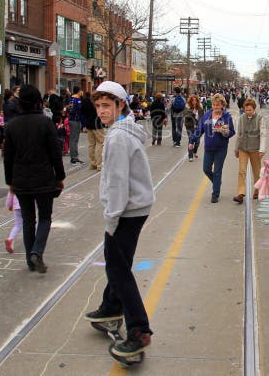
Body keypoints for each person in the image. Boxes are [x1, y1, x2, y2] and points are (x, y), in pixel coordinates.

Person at [84, 81, 154, 359]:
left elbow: (117, 184)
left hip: (126, 211)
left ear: (121, 105)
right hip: (138, 206)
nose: (101, 111)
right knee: (118, 263)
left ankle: (139, 330)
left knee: (117, 268)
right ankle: (111, 305)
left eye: (106, 106)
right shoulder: (124, 130)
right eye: (98, 106)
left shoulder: (116, 137)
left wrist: (111, 221)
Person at [3, 84, 65, 273]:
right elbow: (55, 152)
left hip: (21, 180)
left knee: (29, 221)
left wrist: (10, 182)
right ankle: (37, 252)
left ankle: (30, 260)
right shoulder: (45, 123)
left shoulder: (11, 125)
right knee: (45, 218)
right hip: (43, 178)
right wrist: (60, 176)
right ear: (38, 102)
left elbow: (8, 157)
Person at [189, 93, 236, 203]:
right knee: (206, 169)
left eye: (218, 105)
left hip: (221, 148)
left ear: (222, 105)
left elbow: (232, 132)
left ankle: (215, 194)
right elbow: (199, 130)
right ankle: (217, 182)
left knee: (218, 171)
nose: (215, 107)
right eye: (214, 105)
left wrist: (225, 132)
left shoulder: (226, 116)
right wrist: (192, 141)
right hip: (208, 148)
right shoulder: (207, 115)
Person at [233, 98, 266, 203]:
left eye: (250, 110)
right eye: (246, 110)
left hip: (255, 149)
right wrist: (236, 148)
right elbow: (239, 134)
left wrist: (262, 150)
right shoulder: (241, 118)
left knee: (256, 172)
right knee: (241, 171)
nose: (248, 112)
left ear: (254, 109)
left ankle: (257, 191)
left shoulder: (260, 119)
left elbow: (263, 135)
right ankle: (240, 193)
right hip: (243, 148)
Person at [82, 89, 105, 171]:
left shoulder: (85, 101)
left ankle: (92, 163)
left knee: (91, 144)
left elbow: (82, 113)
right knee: (100, 143)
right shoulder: (98, 101)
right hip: (97, 124)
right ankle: (99, 164)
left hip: (89, 124)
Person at [183, 95, 203, 162]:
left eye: (195, 100)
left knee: (197, 141)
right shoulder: (187, 108)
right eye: (192, 100)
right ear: (190, 101)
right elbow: (186, 116)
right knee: (191, 140)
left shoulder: (200, 108)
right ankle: (190, 156)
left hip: (198, 127)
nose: (194, 102)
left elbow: (202, 117)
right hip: (190, 126)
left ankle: (195, 151)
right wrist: (193, 113)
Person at [67, 86, 84, 164]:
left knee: (72, 138)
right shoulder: (77, 100)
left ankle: (74, 156)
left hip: (71, 119)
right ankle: (74, 157)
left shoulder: (71, 99)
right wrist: (83, 122)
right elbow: (79, 111)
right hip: (75, 120)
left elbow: (69, 109)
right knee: (74, 139)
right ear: (79, 91)